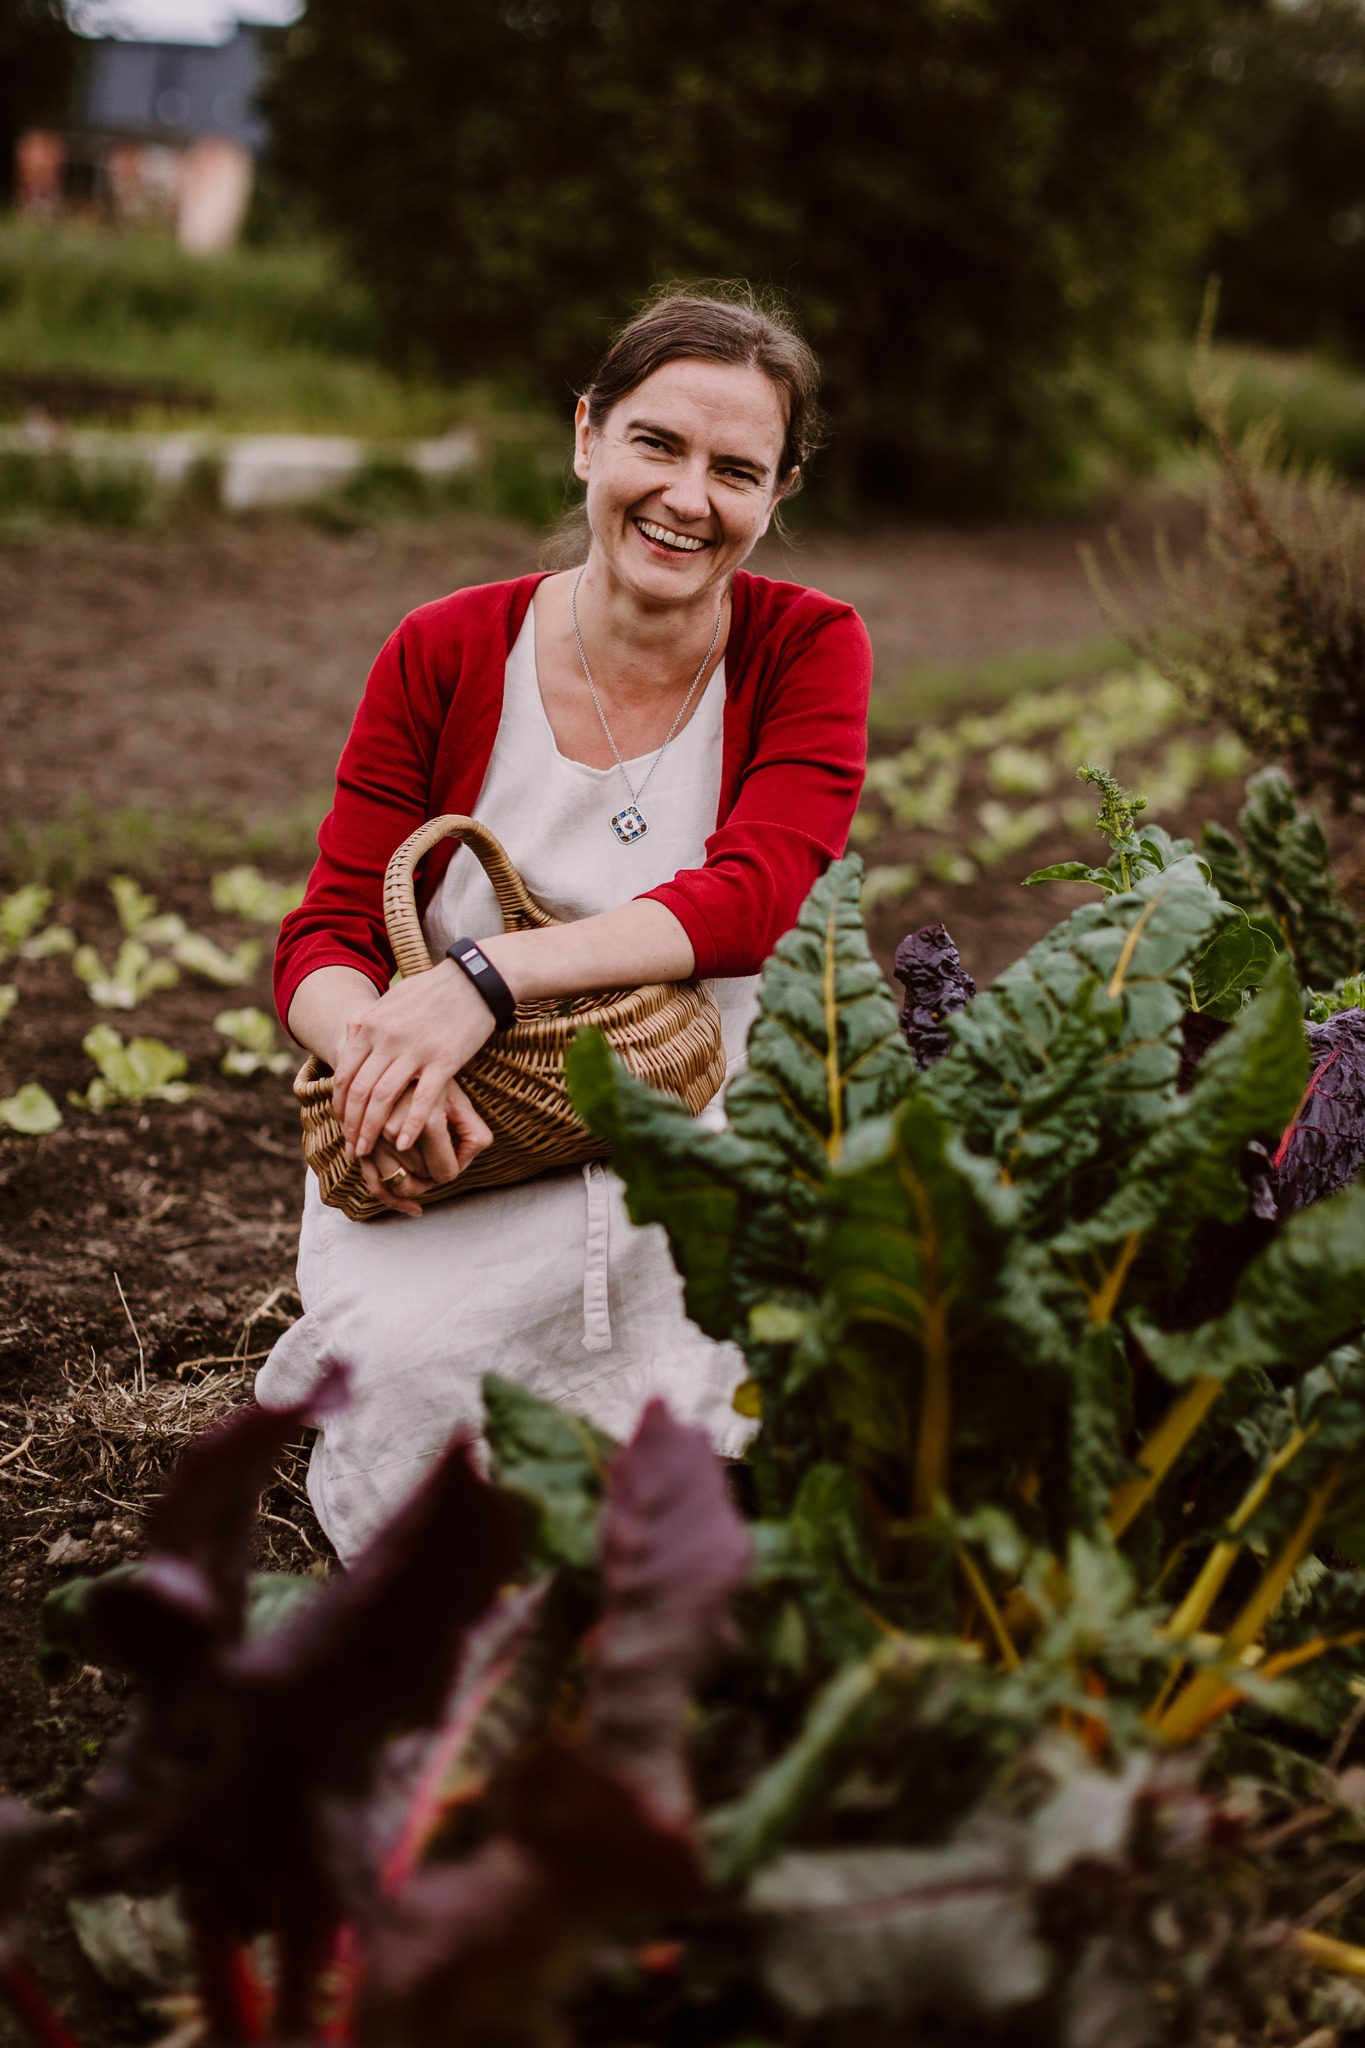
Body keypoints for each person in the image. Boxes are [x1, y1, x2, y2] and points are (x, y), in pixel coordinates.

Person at [256, 287, 872, 1561]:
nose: (688, 497)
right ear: (587, 436)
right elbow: (322, 934)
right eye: (658, 443)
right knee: (425, 1388)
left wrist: (481, 974)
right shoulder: (446, 647)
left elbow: (752, 899)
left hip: (699, 1131)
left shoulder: (809, 648)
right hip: (468, 1133)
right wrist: (380, 1063)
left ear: (779, 492)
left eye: (736, 468)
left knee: (716, 1430)